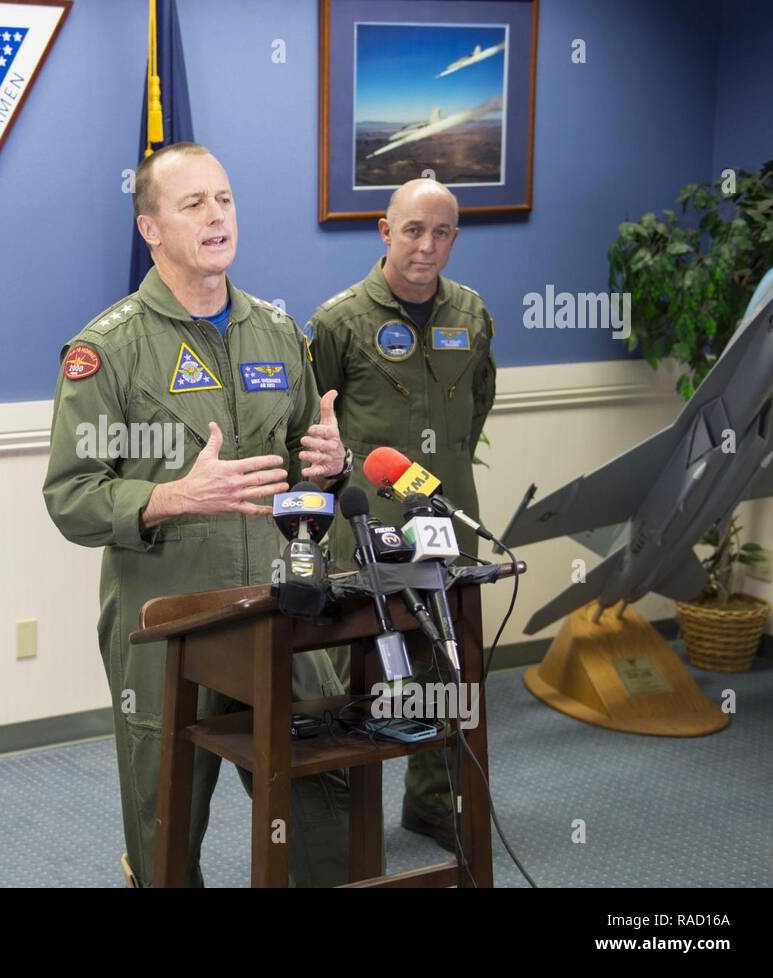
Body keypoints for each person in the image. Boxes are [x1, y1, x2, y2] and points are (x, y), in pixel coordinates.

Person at [43, 142, 353, 887]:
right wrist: (168, 497)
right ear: (150, 228)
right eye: (193, 204)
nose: (216, 216)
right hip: (169, 623)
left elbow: (302, 490)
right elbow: (71, 496)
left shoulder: (279, 335)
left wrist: (331, 469)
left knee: (319, 813)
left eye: (224, 199)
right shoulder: (106, 351)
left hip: (280, 612)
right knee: (166, 826)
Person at [307, 178, 496, 852]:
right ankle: (345, 820)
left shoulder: (470, 313)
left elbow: (476, 410)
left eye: (441, 232)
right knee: (361, 678)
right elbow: (317, 428)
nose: (426, 246)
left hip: (446, 521)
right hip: (367, 531)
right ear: (385, 232)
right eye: (412, 230)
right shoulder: (339, 320)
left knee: (448, 667)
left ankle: (433, 803)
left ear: (454, 237)